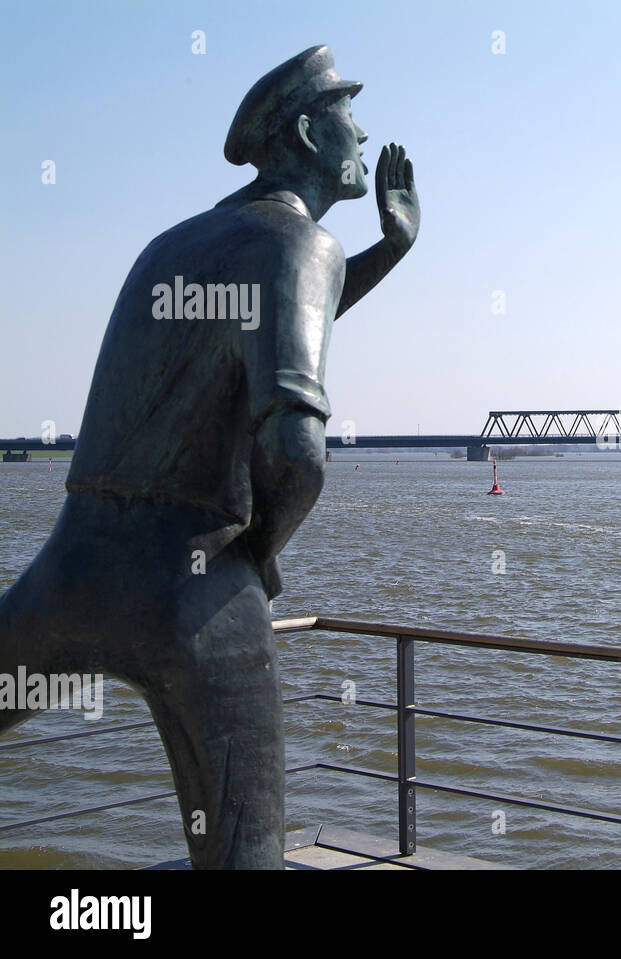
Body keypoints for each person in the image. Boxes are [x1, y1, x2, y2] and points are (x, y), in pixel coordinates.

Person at [0, 46, 419, 868]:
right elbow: (300, 457)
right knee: (242, 854)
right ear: (305, 130)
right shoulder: (301, 247)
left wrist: (388, 251)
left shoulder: (175, 244)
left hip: (71, 568)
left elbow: (280, 298)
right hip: (192, 586)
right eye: (346, 113)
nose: (364, 131)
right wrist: (250, 561)